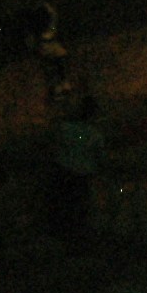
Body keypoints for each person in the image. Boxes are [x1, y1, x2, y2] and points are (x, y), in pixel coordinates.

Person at [47, 90, 104, 241]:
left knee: (66, 208)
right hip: (82, 176)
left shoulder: (65, 128)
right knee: (80, 208)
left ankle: (65, 237)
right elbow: (100, 158)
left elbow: (54, 146)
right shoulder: (95, 135)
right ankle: (78, 239)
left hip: (64, 173)